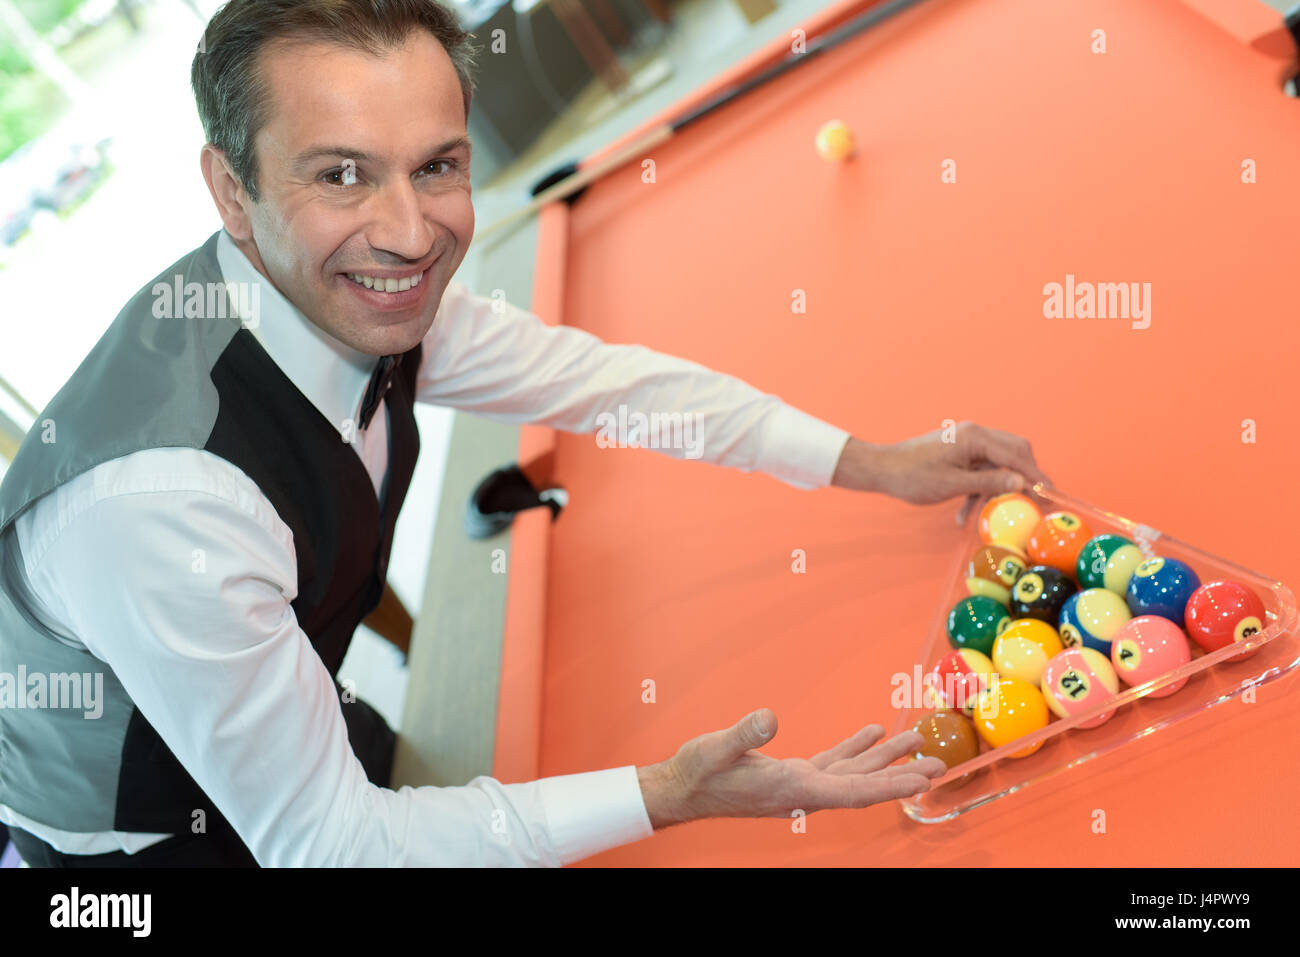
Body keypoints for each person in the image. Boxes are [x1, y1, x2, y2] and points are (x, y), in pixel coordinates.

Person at [0, 0, 1050, 867]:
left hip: (280, 704)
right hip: (130, 849)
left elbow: (609, 388)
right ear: (232, 191)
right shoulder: (163, 503)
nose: (411, 235)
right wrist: (665, 795)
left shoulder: (356, 285)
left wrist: (872, 461)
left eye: (437, 165)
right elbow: (325, 840)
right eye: (340, 174)